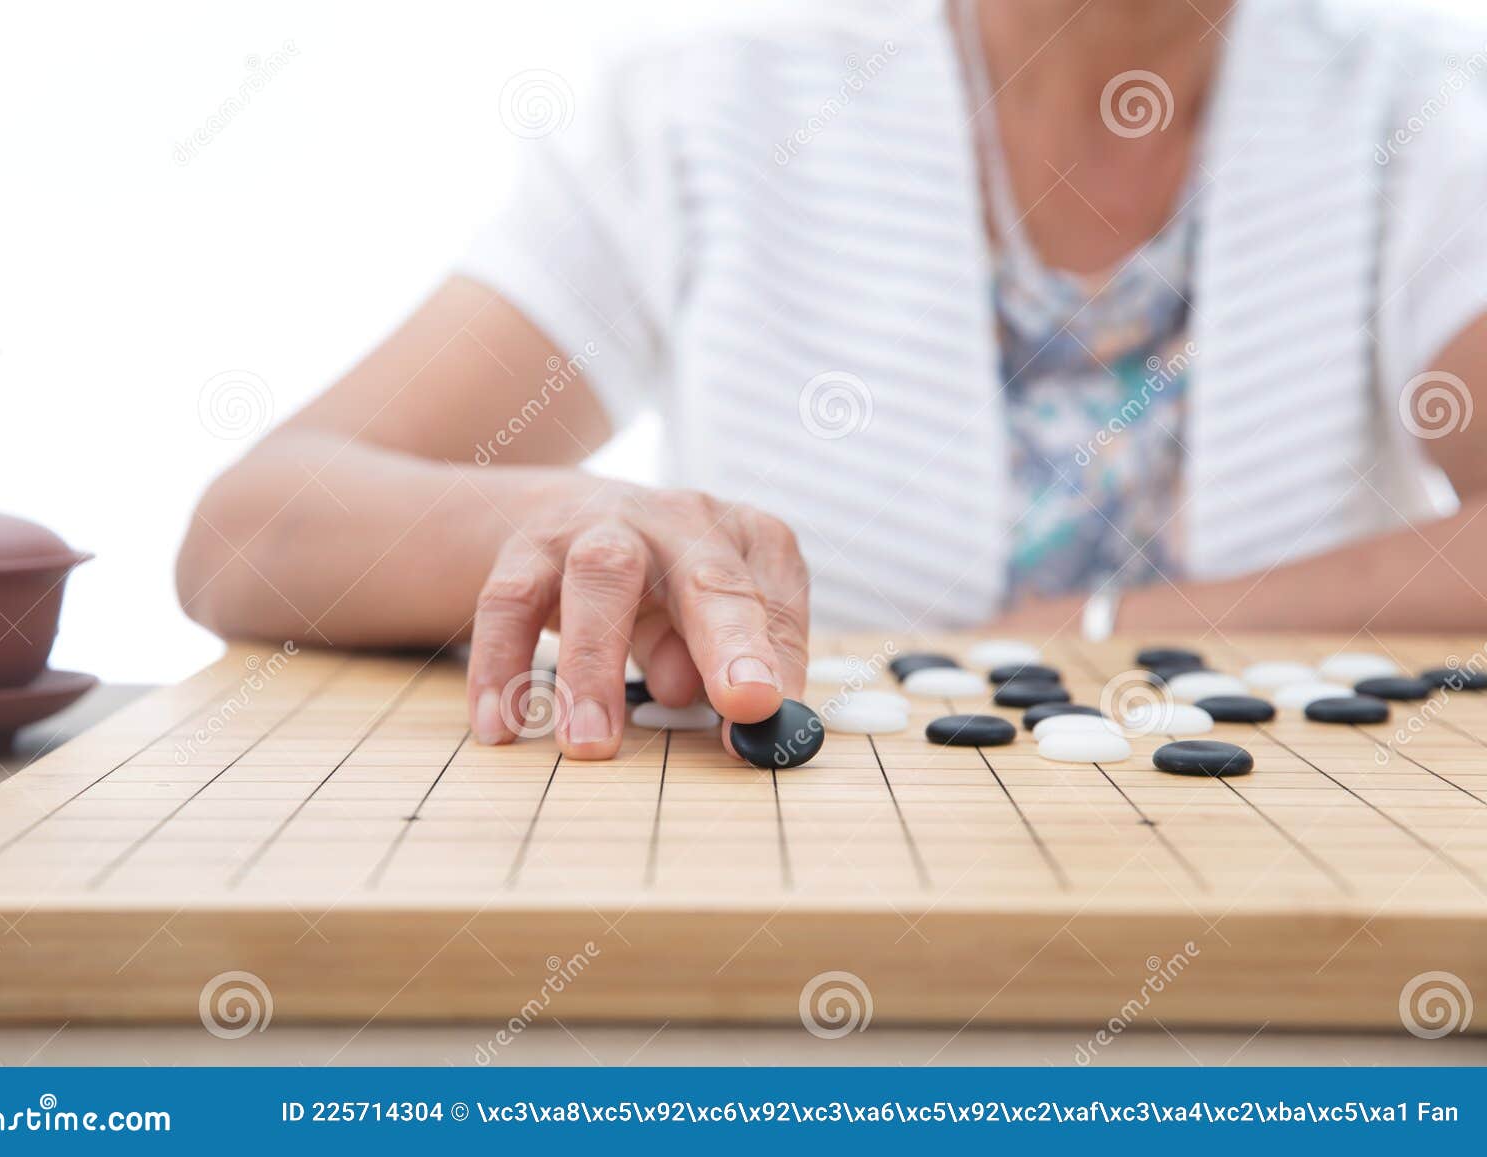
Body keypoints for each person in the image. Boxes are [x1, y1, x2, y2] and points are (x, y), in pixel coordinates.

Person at [177, 0, 1487, 761]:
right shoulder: (710, 103)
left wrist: (1097, 623)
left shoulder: (1413, 121)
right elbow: (250, 529)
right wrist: (564, 518)